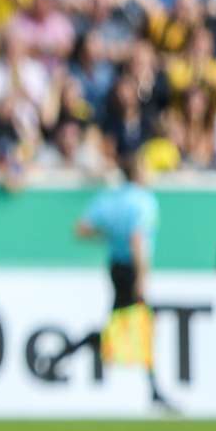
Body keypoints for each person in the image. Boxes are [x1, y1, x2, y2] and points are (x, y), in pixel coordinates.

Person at [74, 150, 171, 412]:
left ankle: (67, 352)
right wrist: (142, 277)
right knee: (136, 326)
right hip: (131, 269)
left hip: (115, 266)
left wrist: (109, 235)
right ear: (138, 172)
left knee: (123, 325)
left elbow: (82, 229)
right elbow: (138, 240)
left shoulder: (110, 198)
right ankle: (154, 391)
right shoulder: (143, 202)